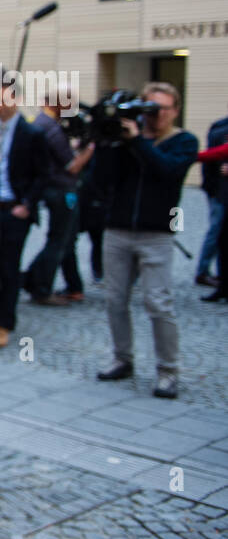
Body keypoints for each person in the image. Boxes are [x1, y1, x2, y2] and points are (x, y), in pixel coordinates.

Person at [93, 82, 198, 398]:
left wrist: (138, 141)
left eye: (162, 109)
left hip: (157, 234)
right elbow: (101, 180)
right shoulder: (126, 142)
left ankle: (168, 370)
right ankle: (121, 358)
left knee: (158, 301)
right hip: (118, 229)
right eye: (150, 108)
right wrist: (107, 141)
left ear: (175, 110)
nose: (156, 116)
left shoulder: (184, 141)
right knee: (114, 299)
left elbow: (166, 173)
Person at [0, 70, 48, 347]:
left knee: (8, 266)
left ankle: (4, 321)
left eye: (2, 98)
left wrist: (26, 206)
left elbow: (43, 175)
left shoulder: (32, 133)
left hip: (13, 208)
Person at [24, 87, 91, 305]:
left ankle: (41, 280)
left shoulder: (40, 123)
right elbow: (72, 166)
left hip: (54, 190)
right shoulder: (50, 128)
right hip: (61, 190)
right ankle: (38, 284)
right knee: (59, 240)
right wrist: (91, 148)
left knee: (64, 239)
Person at [195, 111, 228, 287]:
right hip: (220, 191)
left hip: (217, 190)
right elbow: (214, 155)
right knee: (218, 232)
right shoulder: (220, 129)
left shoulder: (218, 127)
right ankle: (207, 274)